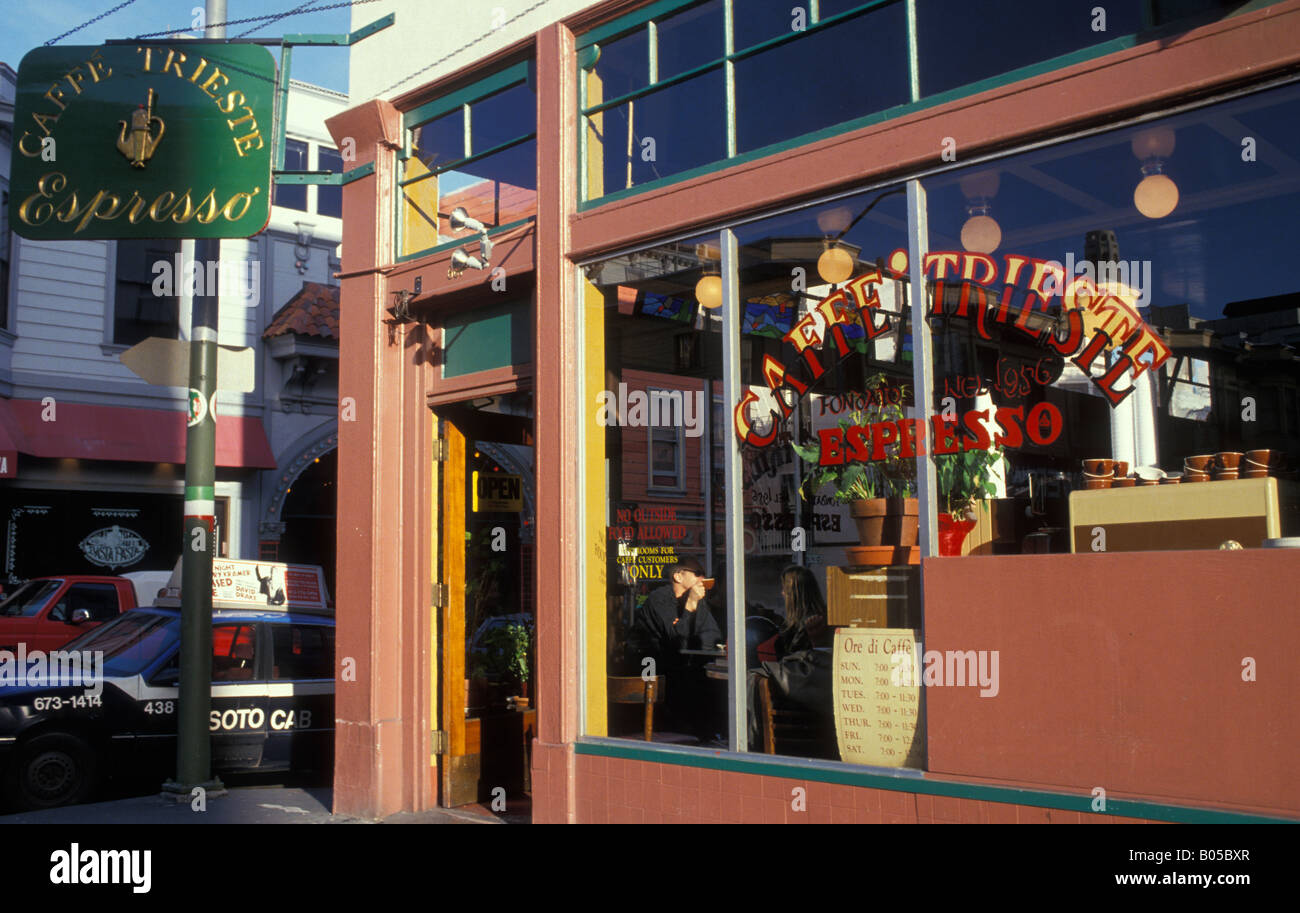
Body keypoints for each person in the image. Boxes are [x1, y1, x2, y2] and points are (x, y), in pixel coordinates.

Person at [626, 557, 722, 671]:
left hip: (680, 667)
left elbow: (715, 635)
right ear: (678, 577)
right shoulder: (658, 599)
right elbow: (677, 643)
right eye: (698, 573)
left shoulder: (698, 600)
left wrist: (688, 636)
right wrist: (690, 605)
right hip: (651, 671)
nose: (703, 578)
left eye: (704, 574)